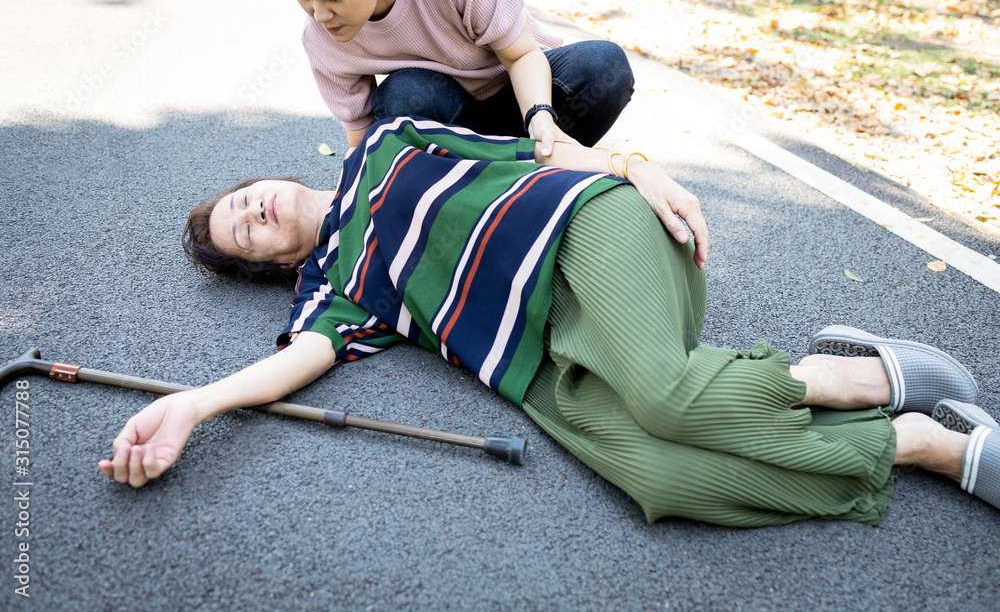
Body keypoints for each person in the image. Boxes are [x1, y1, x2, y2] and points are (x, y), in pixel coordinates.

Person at [100, 117, 1000, 527]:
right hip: (543, 367)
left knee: (663, 396)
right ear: (276, 264)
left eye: (241, 200)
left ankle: (852, 379)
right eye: (243, 233)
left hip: (587, 234)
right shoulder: (334, 289)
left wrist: (636, 168)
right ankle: (915, 443)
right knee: (664, 478)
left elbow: (538, 146)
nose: (252, 210)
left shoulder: (385, 143)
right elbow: (294, 363)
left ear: (263, 177)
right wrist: (192, 405)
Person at [270, 0, 634, 157]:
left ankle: (548, 165)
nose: (320, 14)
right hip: (451, 124)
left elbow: (522, 55)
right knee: (404, 94)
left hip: (522, 93)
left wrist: (540, 117)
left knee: (605, 64)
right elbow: (364, 142)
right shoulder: (322, 39)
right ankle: (470, 195)